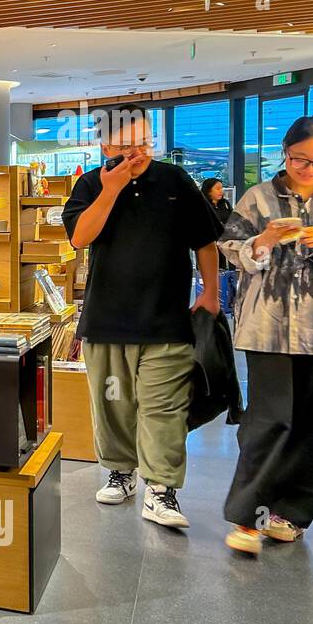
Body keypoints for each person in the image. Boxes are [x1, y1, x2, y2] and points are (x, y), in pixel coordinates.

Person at [62, 107, 222, 529]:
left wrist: (209, 292)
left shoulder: (174, 180)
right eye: (125, 147)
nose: (136, 155)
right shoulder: (90, 184)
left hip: (167, 321)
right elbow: (81, 237)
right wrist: (111, 190)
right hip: (105, 321)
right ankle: (120, 471)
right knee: (113, 405)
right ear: (105, 147)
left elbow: (205, 241)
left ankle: (162, 488)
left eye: (143, 145)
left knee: (163, 407)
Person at [218, 117, 313, 554]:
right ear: (285, 151)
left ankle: (291, 514)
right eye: (300, 159)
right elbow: (229, 249)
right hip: (268, 327)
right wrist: (264, 241)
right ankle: (249, 516)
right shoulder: (259, 197)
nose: (307, 169)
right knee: (270, 419)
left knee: (309, 424)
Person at [201, 177, 237, 314]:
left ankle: (227, 300)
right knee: (212, 270)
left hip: (226, 243)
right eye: (217, 188)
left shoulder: (225, 204)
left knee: (228, 271)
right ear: (209, 190)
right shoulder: (203, 204)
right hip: (210, 244)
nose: (221, 191)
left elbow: (233, 221)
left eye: (221, 188)